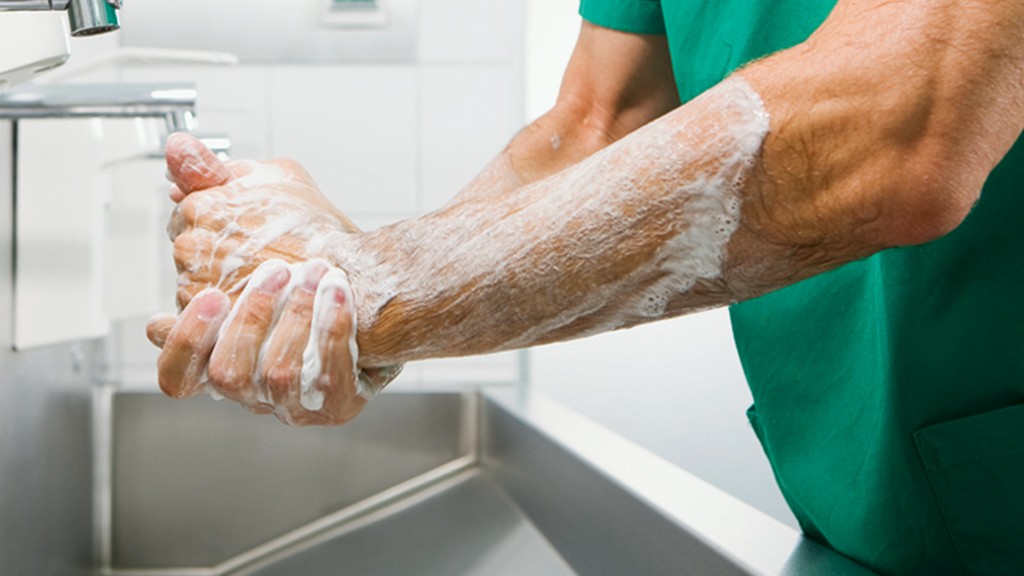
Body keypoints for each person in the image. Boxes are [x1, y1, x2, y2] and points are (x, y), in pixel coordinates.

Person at [147, 0, 1024, 573]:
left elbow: (898, 126)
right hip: (868, 494)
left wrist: (379, 294)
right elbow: (595, 120)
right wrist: (328, 292)